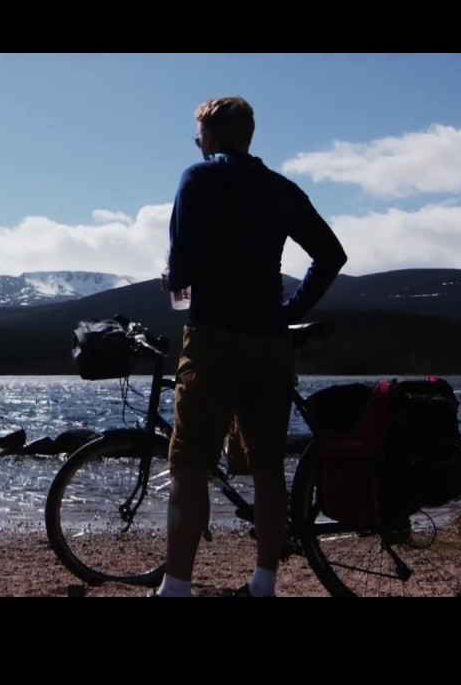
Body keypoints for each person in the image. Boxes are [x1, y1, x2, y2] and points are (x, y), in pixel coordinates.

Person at [156, 96, 347, 597]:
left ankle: (176, 587)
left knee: (189, 465)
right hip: (270, 344)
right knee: (266, 467)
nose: (198, 145)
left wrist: (172, 283)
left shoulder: (197, 180)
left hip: (214, 340)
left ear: (212, 137)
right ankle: (264, 583)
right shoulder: (280, 188)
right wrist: (289, 313)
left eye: (199, 137)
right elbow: (331, 254)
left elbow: (181, 273)